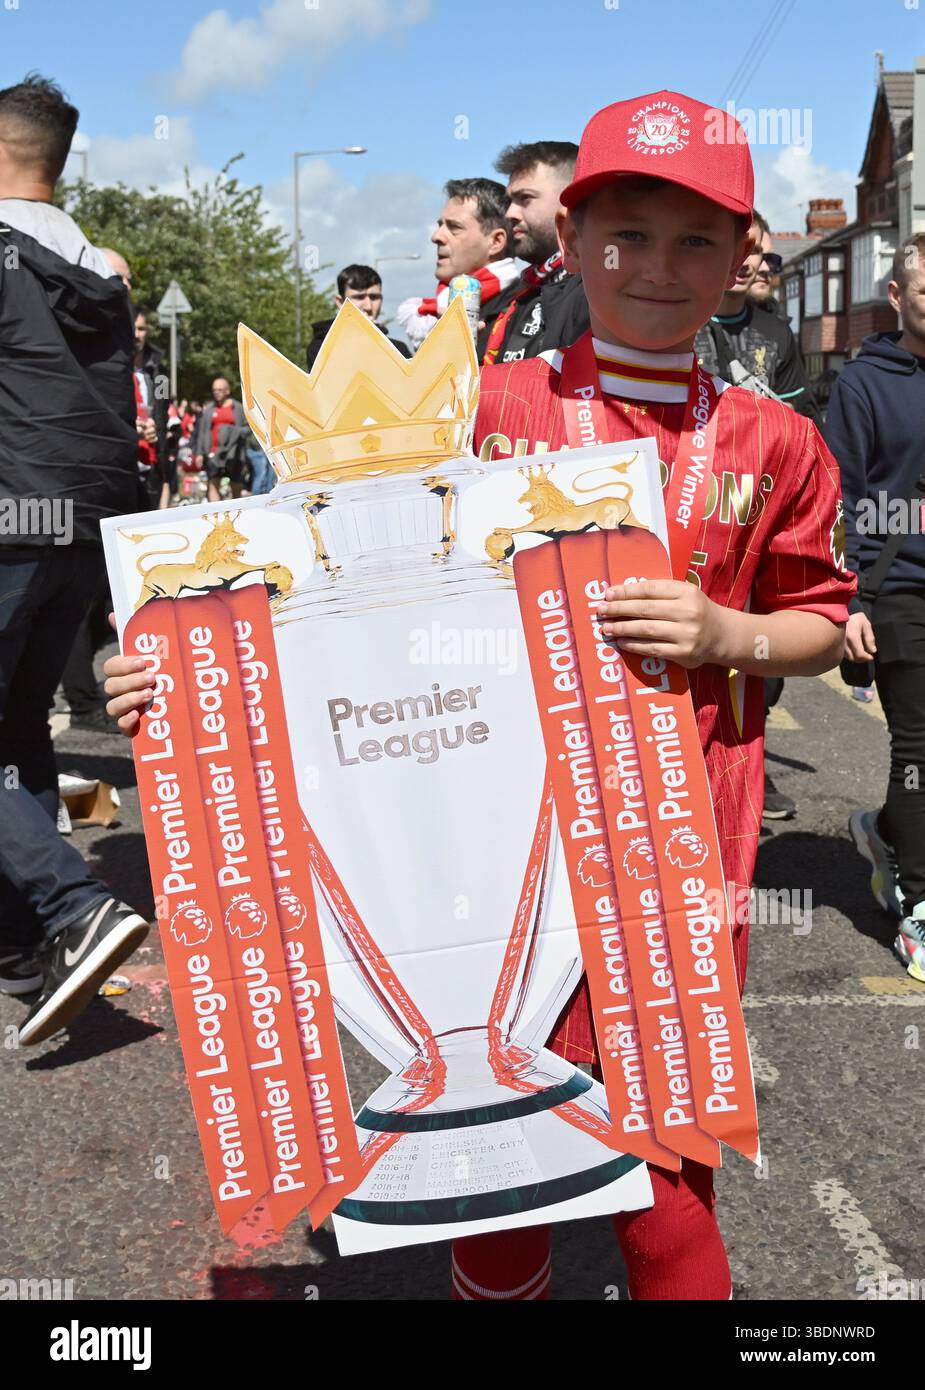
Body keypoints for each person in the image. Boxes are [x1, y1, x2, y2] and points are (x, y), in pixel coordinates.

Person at [105, 89, 854, 1299]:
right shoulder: (477, 406)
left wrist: (728, 632)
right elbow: (310, 598)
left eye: (695, 239)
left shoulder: (777, 440)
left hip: (676, 854)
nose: (657, 267)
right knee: (495, 1173)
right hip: (487, 864)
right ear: (571, 242)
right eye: (626, 234)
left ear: (742, 255)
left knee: (670, 1177)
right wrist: (171, 675)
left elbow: (819, 622)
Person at [0, 73, 149, 1035]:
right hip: (85, 521)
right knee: (16, 732)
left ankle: (74, 907)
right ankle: (35, 954)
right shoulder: (96, 264)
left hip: (10, 510)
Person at [695, 212, 822, 819]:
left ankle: (750, 763)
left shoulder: (777, 332)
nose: (751, 265)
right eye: (743, 252)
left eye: (763, 257)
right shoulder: (686, 322)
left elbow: (804, 422)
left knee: (764, 650)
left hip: (766, 512)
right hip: (703, 506)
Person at [826, 233, 925, 982]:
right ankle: (919, 907)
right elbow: (844, 494)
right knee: (920, 748)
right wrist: (848, 598)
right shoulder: (864, 382)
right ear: (896, 297)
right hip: (895, 586)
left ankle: (885, 830)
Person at [694, 211, 821, 426]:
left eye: (754, 250)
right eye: (734, 248)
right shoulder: (679, 325)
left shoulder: (777, 332)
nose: (744, 261)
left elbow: (803, 416)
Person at [484, 140, 590, 363]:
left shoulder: (596, 293)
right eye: (510, 201)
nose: (510, 213)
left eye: (525, 198)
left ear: (569, 200)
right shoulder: (518, 295)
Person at [396, 178, 519, 360]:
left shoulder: (521, 309)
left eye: (454, 227)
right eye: (440, 225)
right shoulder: (438, 310)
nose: (436, 236)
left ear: (495, 242)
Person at [307, 264, 411, 370]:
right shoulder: (322, 349)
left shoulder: (398, 350)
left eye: (374, 297)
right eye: (359, 297)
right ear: (340, 302)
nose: (368, 306)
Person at [191, 376, 249, 502]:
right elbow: (202, 432)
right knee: (213, 483)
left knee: (236, 485)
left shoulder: (238, 408)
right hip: (213, 453)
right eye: (214, 390)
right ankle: (215, 515)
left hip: (234, 454)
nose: (216, 392)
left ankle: (237, 513)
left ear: (227, 391)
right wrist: (200, 453)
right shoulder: (209, 410)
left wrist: (233, 432)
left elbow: (247, 429)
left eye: (220, 390)